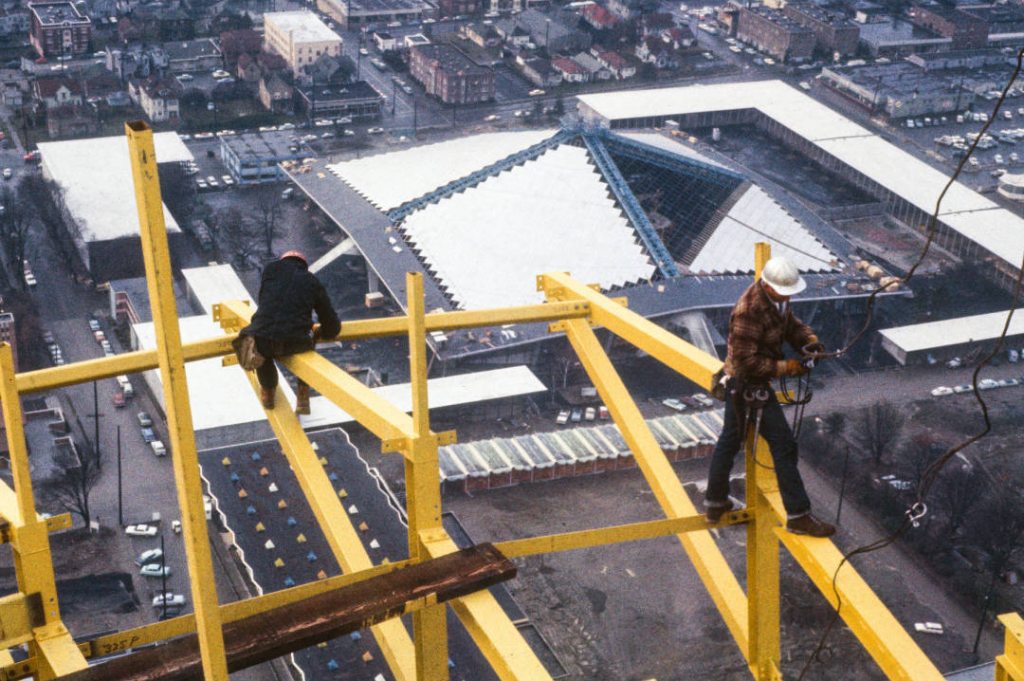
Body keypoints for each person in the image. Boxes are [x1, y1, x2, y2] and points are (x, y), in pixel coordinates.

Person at [704, 256, 836, 537]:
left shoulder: (774, 299)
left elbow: (789, 325)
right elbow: (746, 360)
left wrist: (808, 341)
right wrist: (789, 367)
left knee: (730, 441)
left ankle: (715, 503)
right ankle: (798, 515)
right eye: (783, 291)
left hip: (745, 385)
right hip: (747, 385)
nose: (787, 296)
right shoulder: (749, 311)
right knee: (783, 445)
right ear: (767, 285)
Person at [233, 251, 341, 414]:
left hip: (263, 335)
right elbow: (331, 324)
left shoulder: (270, 271)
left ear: (283, 261)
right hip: (297, 340)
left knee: (262, 353)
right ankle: (303, 398)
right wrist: (321, 333)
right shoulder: (312, 281)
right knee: (309, 343)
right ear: (304, 266)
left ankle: (268, 394)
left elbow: (265, 302)